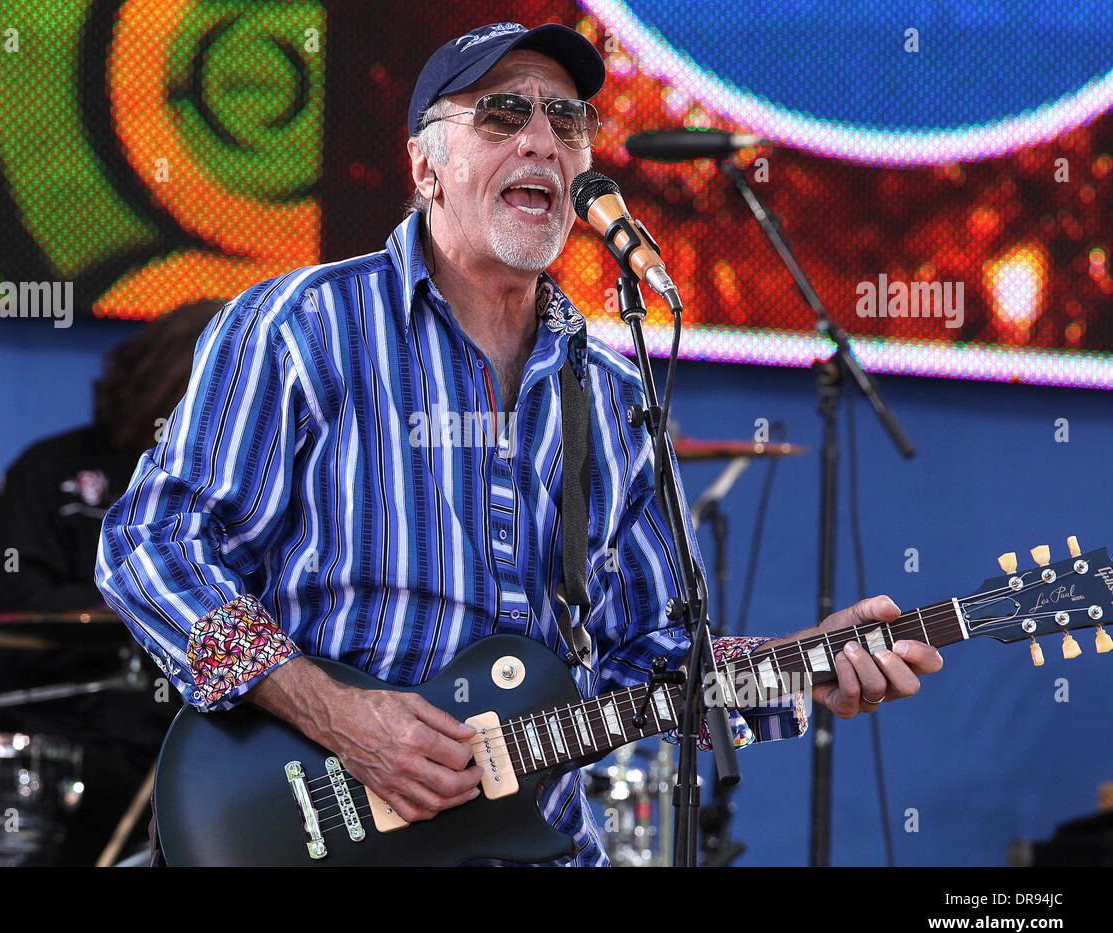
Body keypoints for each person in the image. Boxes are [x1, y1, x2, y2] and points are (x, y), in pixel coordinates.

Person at [95, 22, 942, 866]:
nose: (542, 139)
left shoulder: (613, 397)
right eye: (502, 115)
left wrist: (806, 667)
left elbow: (651, 659)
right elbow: (150, 546)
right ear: (425, 165)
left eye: (567, 121)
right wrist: (337, 715)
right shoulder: (303, 329)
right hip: (310, 829)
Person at [0, 300, 219, 864]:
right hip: (64, 732)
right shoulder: (50, 469)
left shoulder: (238, 490)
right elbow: (12, 611)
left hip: (192, 740)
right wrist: (147, 599)